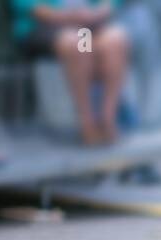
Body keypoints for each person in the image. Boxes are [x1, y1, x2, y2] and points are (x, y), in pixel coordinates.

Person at [10, 0, 130, 145]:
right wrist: (70, 17)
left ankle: (108, 118)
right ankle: (87, 122)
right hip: (47, 25)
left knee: (115, 39)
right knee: (79, 44)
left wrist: (97, 13)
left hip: (87, 24)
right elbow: (30, 7)